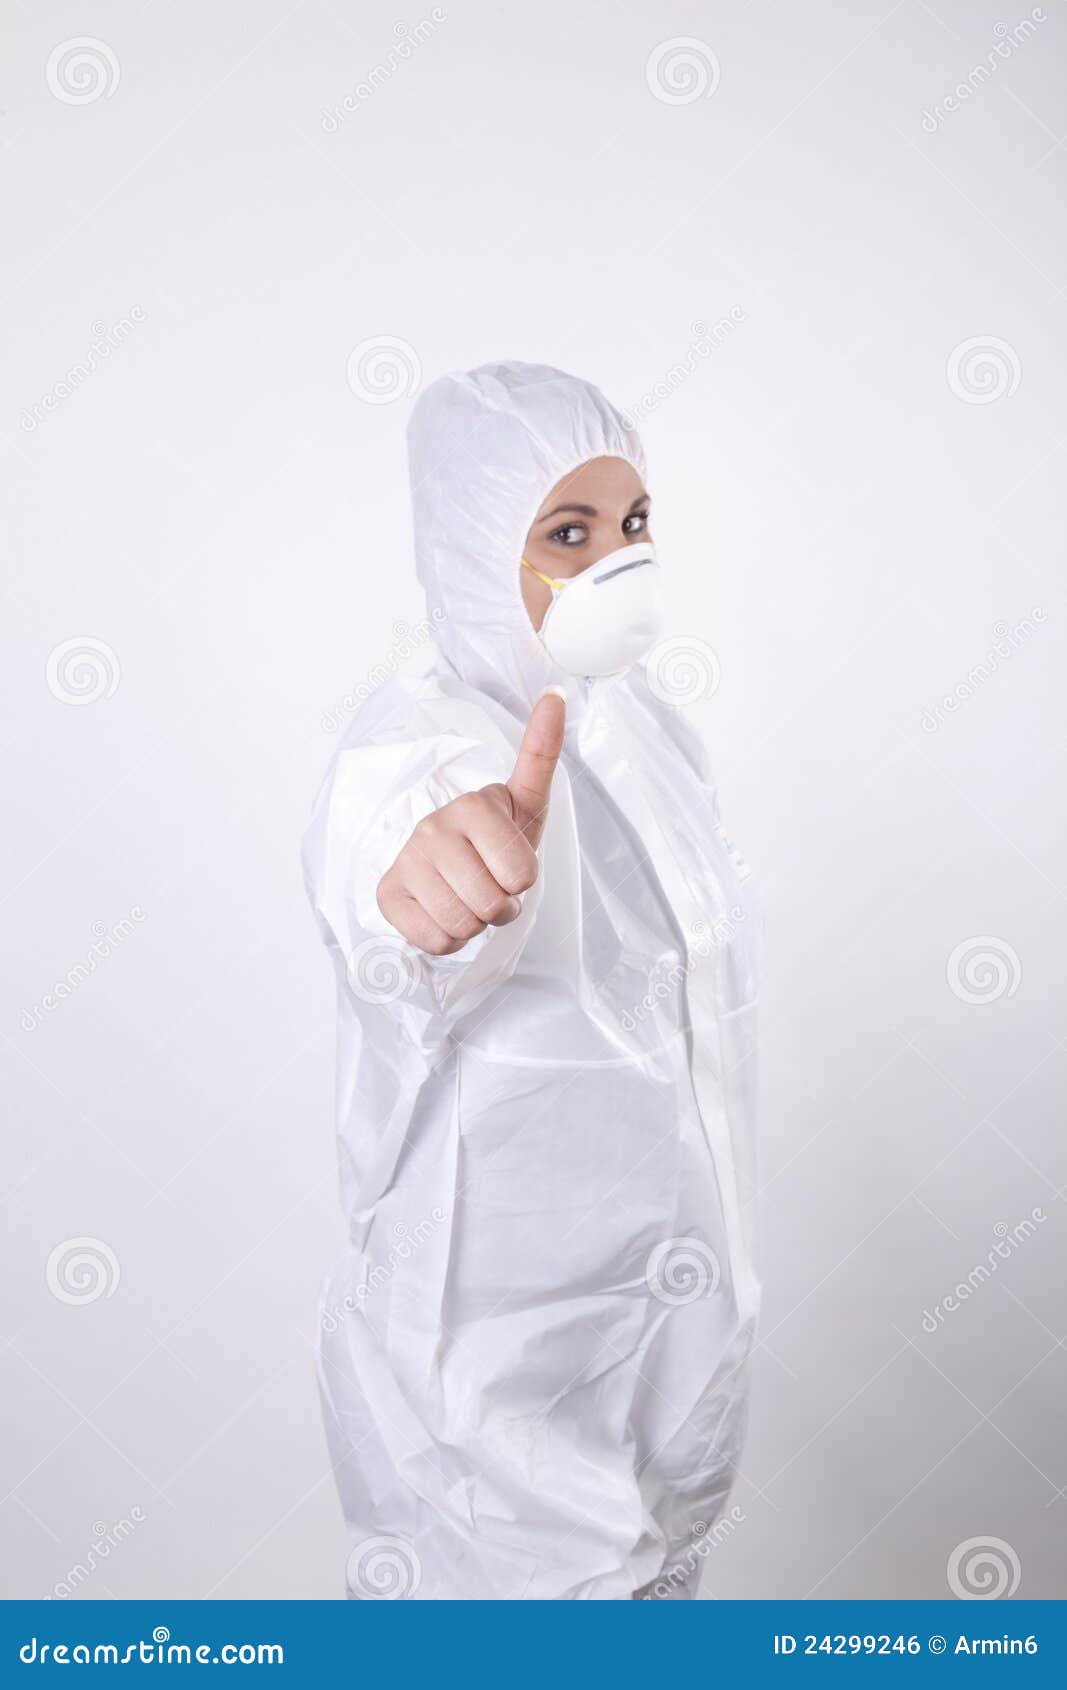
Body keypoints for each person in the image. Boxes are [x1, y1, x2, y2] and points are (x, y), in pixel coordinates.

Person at [302, 361, 760, 1601]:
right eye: (569, 532)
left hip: (657, 1343)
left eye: (634, 524)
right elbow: (391, 871)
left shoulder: (642, 729)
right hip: (496, 1376)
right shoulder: (419, 745)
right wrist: (429, 878)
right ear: (468, 545)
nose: (621, 561)